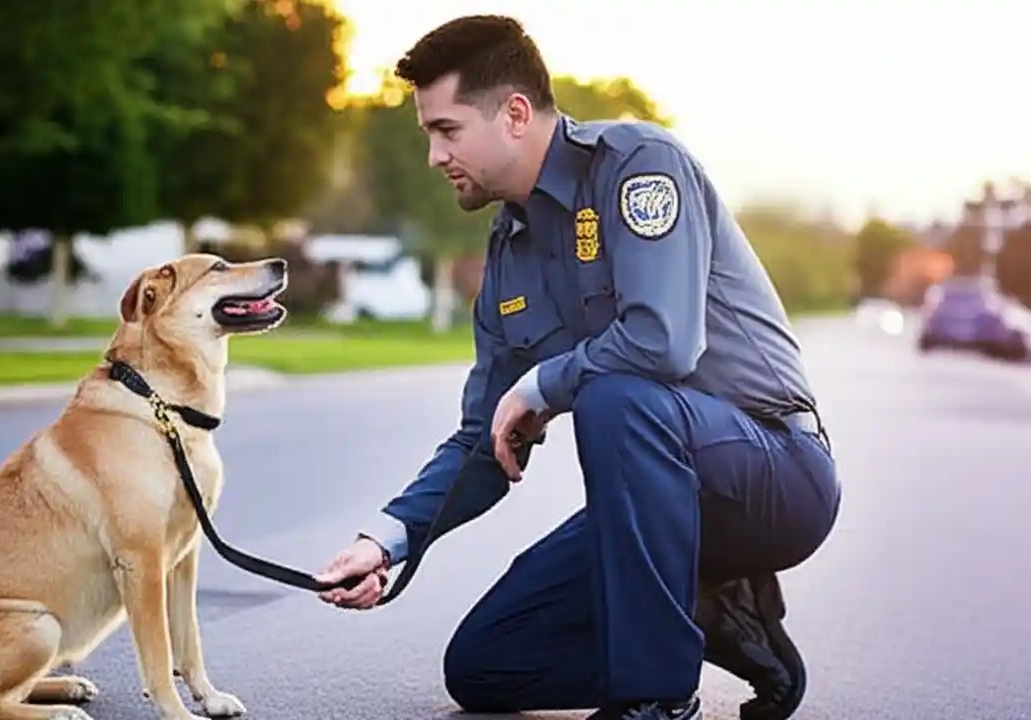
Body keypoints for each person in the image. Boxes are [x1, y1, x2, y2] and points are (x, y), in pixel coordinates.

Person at [314, 14, 841, 720]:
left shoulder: (636, 165)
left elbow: (662, 342)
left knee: (615, 398)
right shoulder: (507, 262)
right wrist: (384, 539)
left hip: (775, 472)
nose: (435, 157)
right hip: (653, 508)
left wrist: (541, 383)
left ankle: (654, 697)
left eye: (446, 130)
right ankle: (719, 615)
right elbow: (485, 438)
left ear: (515, 113)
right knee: (487, 665)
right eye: (429, 136)